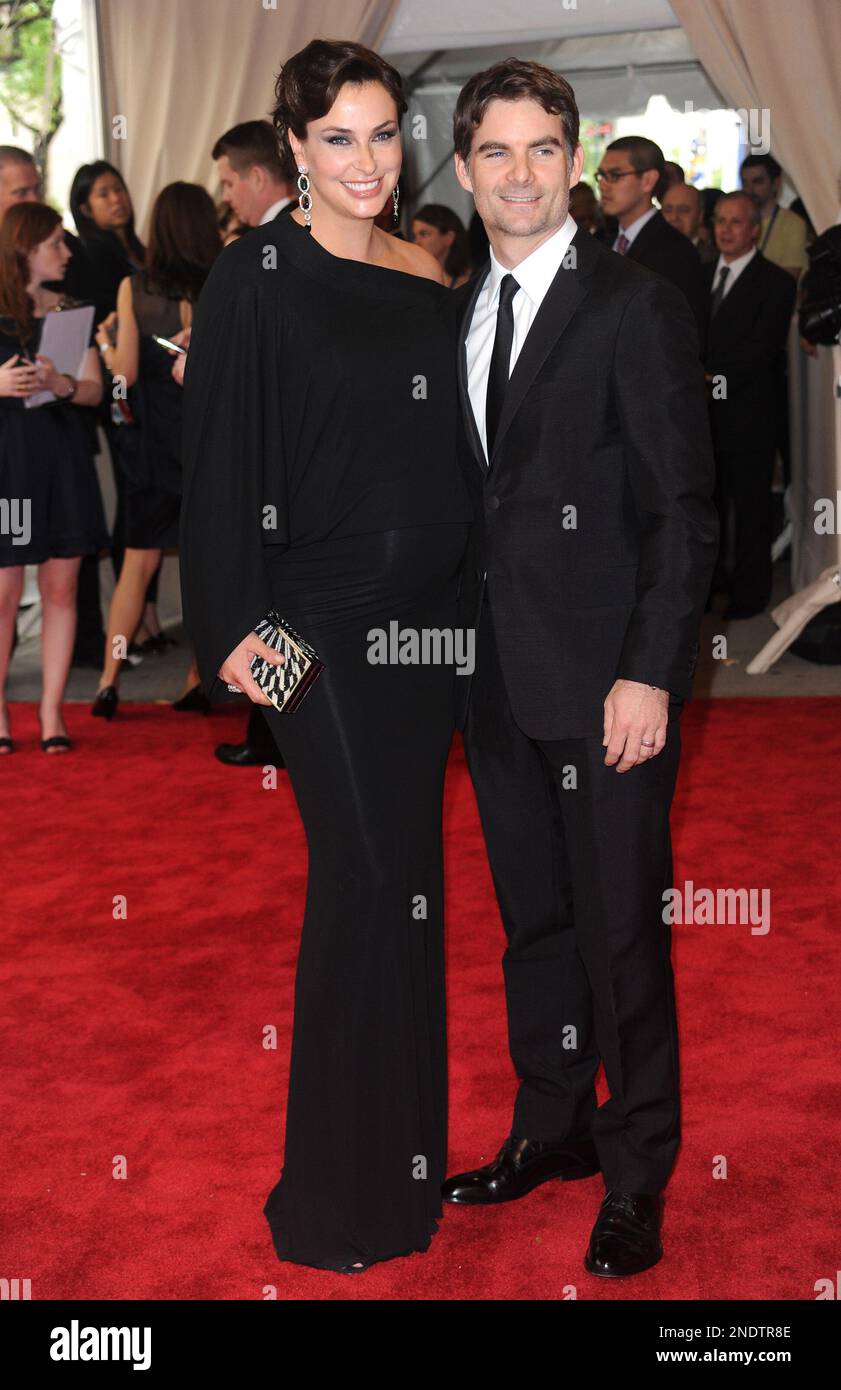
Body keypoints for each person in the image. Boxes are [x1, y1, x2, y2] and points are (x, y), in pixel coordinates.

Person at [179, 39, 473, 1273]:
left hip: (431, 629)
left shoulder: (423, 264)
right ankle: (336, 1201)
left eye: (383, 132)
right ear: (292, 148)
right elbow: (221, 466)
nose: (367, 159)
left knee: (409, 874)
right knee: (361, 870)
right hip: (304, 630)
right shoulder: (256, 276)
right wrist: (235, 636)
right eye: (338, 137)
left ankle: (405, 1176)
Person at [446, 58, 718, 1278]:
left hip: (609, 686)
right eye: (495, 152)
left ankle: (638, 1166)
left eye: (543, 150)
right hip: (494, 682)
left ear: (577, 158)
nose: (520, 174)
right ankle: (550, 1125)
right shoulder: (452, 306)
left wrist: (651, 672)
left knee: (620, 935)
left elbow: (685, 510)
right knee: (534, 928)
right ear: (462, 168)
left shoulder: (634, 304)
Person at [91, 182, 221, 719]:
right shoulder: (224, 280)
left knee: (136, 567)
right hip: (210, 443)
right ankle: (197, 676)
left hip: (153, 445)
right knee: (207, 566)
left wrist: (102, 342)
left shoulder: (135, 287)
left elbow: (122, 375)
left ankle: (107, 679)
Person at [0, 202, 106, 753]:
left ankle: (50, 715)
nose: (66, 252)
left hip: (62, 462)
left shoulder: (70, 313)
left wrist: (59, 382)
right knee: (4, 590)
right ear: (23, 252)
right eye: (54, 245)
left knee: (62, 587)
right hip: (9, 469)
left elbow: (93, 389)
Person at [210, 121, 296, 768]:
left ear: (259, 177)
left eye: (229, 181)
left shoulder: (261, 255)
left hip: (283, 481)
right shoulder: (268, 253)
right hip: (305, 485)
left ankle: (280, 740)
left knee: (278, 600)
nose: (226, 196)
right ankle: (277, 738)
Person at [704, 192, 796, 618]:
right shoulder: (701, 274)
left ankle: (751, 593)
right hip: (703, 418)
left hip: (750, 417)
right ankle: (714, 580)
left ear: (754, 228)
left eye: (736, 221)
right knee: (710, 506)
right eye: (720, 220)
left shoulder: (776, 281)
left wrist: (707, 377)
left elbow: (761, 351)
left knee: (752, 508)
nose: (725, 229)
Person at [597, 135, 707, 344]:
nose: (603, 185)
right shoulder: (599, 241)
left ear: (648, 180)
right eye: (601, 175)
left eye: (614, 175)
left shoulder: (678, 251)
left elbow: (685, 338)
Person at [739, 153, 808, 280]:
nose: (749, 190)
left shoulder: (793, 224)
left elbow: (788, 280)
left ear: (776, 183)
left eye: (757, 182)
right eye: (744, 183)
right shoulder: (737, 221)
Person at [411, 203, 472, 287]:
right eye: (415, 236)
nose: (416, 242)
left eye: (424, 234)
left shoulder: (471, 282)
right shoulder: (414, 279)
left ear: (448, 238)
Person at [661, 180, 717, 263]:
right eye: (668, 210)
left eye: (683, 210)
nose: (674, 217)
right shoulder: (648, 253)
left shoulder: (712, 260)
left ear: (700, 215)